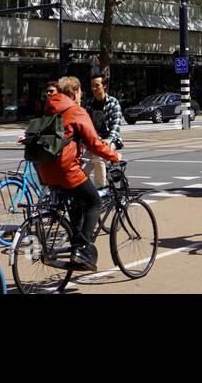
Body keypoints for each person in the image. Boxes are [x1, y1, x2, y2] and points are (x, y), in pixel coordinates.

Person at [32, 77, 121, 271]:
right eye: (80, 92)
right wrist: (114, 156)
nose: (82, 96)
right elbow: (94, 143)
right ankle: (83, 250)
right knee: (94, 201)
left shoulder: (48, 109)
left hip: (46, 171)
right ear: (74, 93)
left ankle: (75, 250)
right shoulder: (75, 111)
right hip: (66, 170)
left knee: (76, 207)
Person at [86, 75, 123, 188]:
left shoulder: (113, 102)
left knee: (98, 155)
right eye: (92, 86)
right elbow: (85, 125)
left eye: (97, 85)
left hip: (110, 141)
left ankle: (101, 189)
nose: (94, 88)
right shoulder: (89, 104)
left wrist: (108, 139)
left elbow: (116, 128)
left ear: (104, 86)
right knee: (81, 166)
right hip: (93, 142)